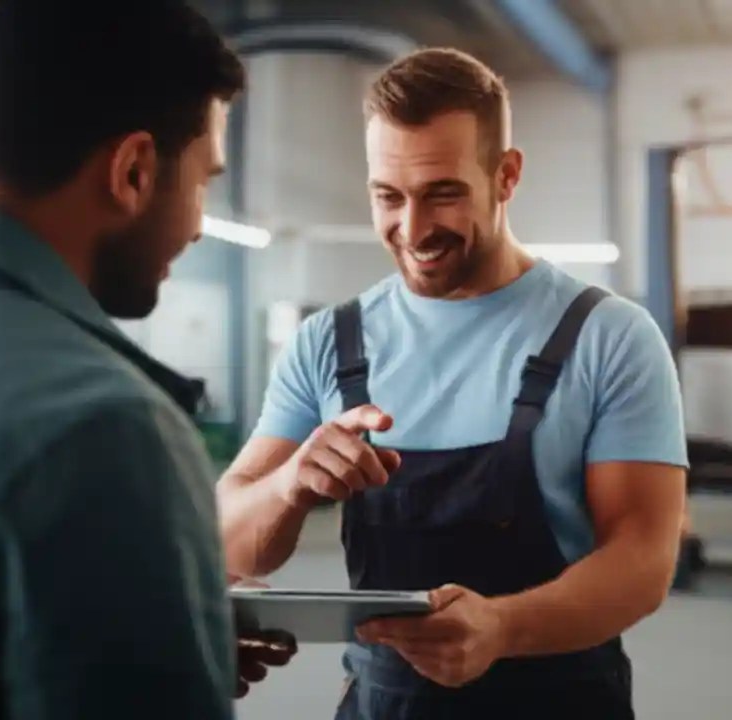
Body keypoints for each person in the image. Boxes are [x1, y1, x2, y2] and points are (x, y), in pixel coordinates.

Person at [0, 1, 292, 718]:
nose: (200, 225)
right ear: (134, 171)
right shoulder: (104, 428)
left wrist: (151, 631)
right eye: (204, 181)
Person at [218, 47, 688, 718]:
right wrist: (291, 484)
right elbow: (228, 543)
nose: (412, 230)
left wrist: (502, 627)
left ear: (507, 175)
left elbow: (643, 560)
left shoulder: (608, 337)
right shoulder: (329, 343)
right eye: (388, 197)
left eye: (442, 193)